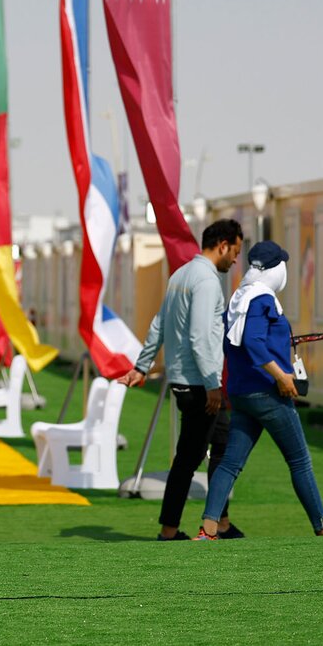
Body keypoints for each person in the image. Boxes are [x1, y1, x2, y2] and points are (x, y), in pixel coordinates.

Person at [197, 241, 323, 540]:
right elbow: (253, 342)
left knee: (229, 464)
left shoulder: (240, 296)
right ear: (275, 268)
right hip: (267, 394)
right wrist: (282, 376)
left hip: (242, 394)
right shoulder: (263, 299)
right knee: (299, 460)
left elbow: (239, 341)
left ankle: (208, 530)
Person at [121, 219, 244, 541]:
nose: (235, 260)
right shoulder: (206, 281)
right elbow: (200, 337)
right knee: (189, 459)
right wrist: (212, 384)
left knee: (222, 447)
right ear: (223, 245)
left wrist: (142, 366)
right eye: (235, 252)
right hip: (200, 385)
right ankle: (170, 530)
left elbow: (158, 324)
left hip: (187, 380)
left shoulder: (180, 275)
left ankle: (220, 523)